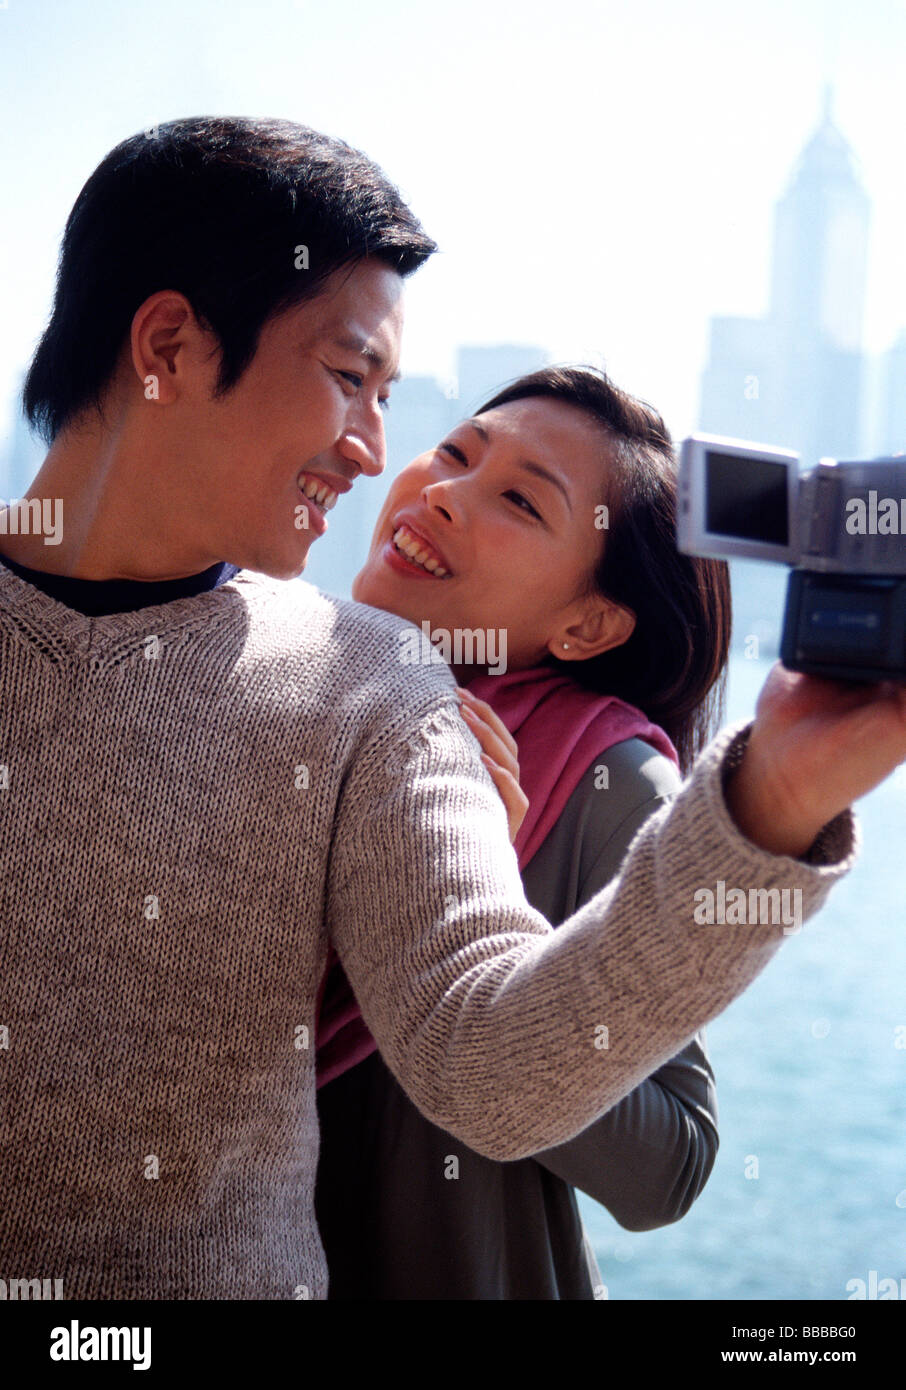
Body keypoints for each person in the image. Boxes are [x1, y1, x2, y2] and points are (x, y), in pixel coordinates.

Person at [0, 116, 901, 1301]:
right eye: (348, 378)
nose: (384, 456)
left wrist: (771, 798)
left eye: (390, 394)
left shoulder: (379, 688)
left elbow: (489, 1059)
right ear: (167, 343)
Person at [314, 365, 726, 1299]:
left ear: (586, 624)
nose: (445, 492)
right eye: (456, 451)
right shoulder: (272, 688)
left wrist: (474, 910)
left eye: (519, 501)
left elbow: (670, 1168)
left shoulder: (605, 784)